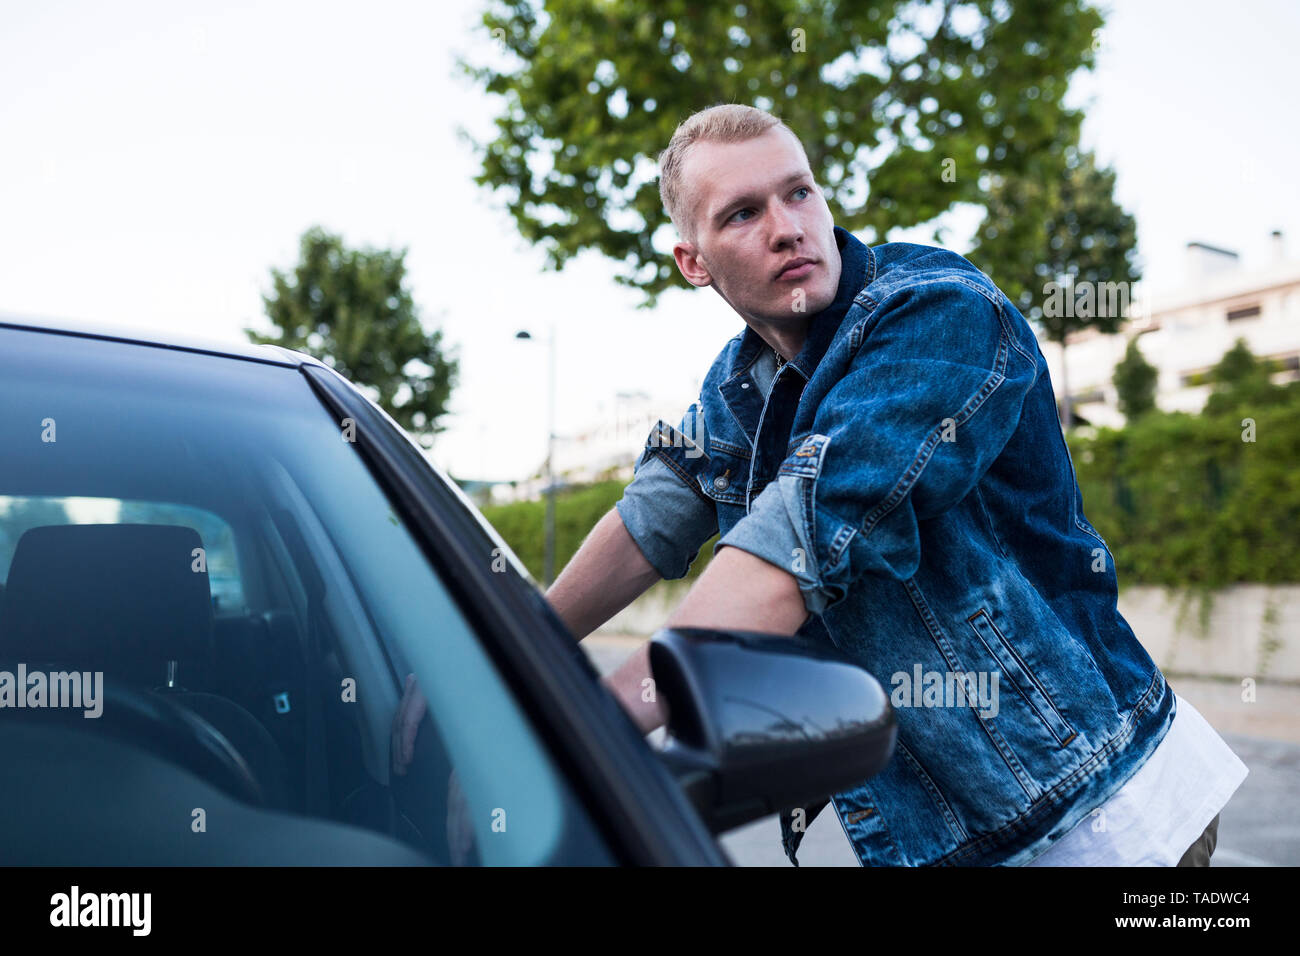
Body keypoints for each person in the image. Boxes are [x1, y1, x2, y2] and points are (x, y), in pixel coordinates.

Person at [394, 103, 1247, 867]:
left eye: (799, 193)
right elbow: (656, 516)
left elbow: (800, 534)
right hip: (959, 840)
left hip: (1109, 812)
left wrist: (579, 733)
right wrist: (501, 655)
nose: (787, 226)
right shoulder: (743, 382)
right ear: (694, 262)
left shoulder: (935, 315)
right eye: (743, 213)